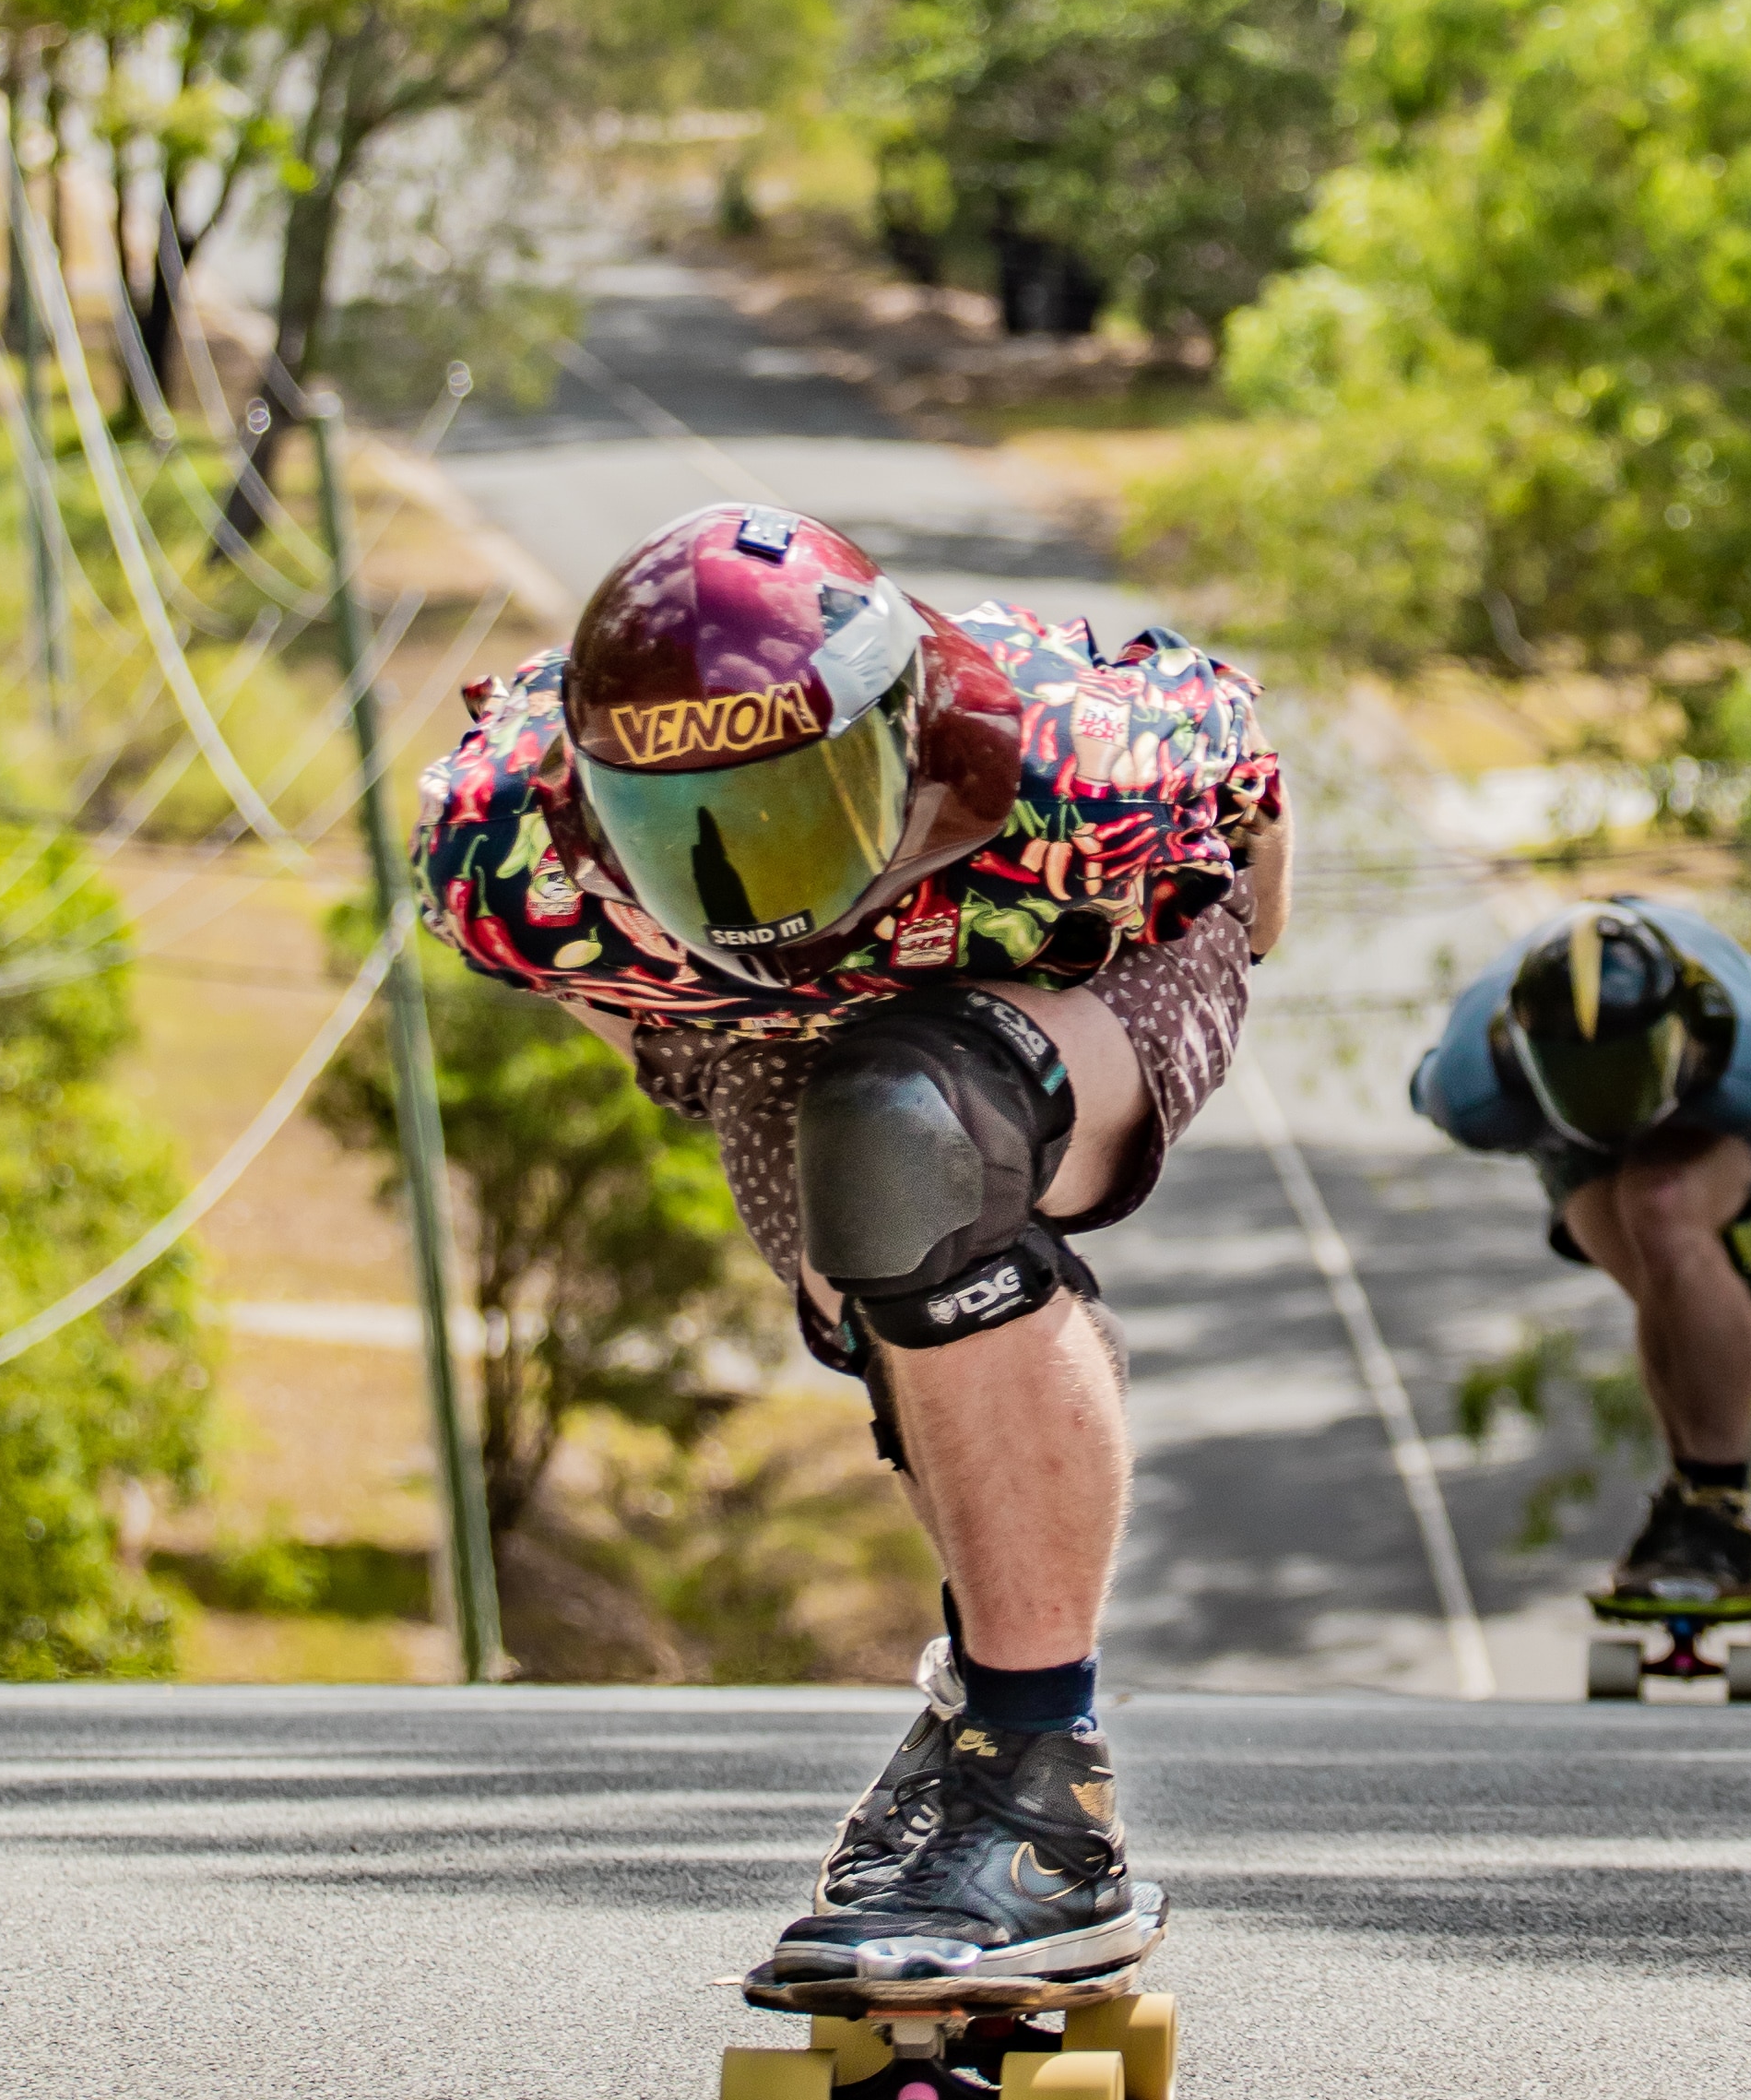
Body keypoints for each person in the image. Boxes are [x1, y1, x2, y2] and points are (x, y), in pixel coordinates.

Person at [417, 496, 1287, 1993]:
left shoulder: (1091, 763)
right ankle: (982, 1711)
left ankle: (1037, 1798)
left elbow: (1257, 850)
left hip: (1107, 964)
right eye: (677, 838)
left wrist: (1196, 951)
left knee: (913, 1141)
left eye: (787, 811)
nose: (751, 886)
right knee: (883, 1273)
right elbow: (637, 1014)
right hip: (762, 1041)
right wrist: (730, 1023)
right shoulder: (509, 853)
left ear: (906, 740)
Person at [1413, 897, 1751, 1646]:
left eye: (1626, 1080)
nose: (1621, 1117)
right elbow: (1432, 1086)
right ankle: (1701, 1508)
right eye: (1588, 1088)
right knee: (1637, 1231)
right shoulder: (1473, 1088)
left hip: (1725, 1130)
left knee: (1737, 1268)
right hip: (1571, 1147)